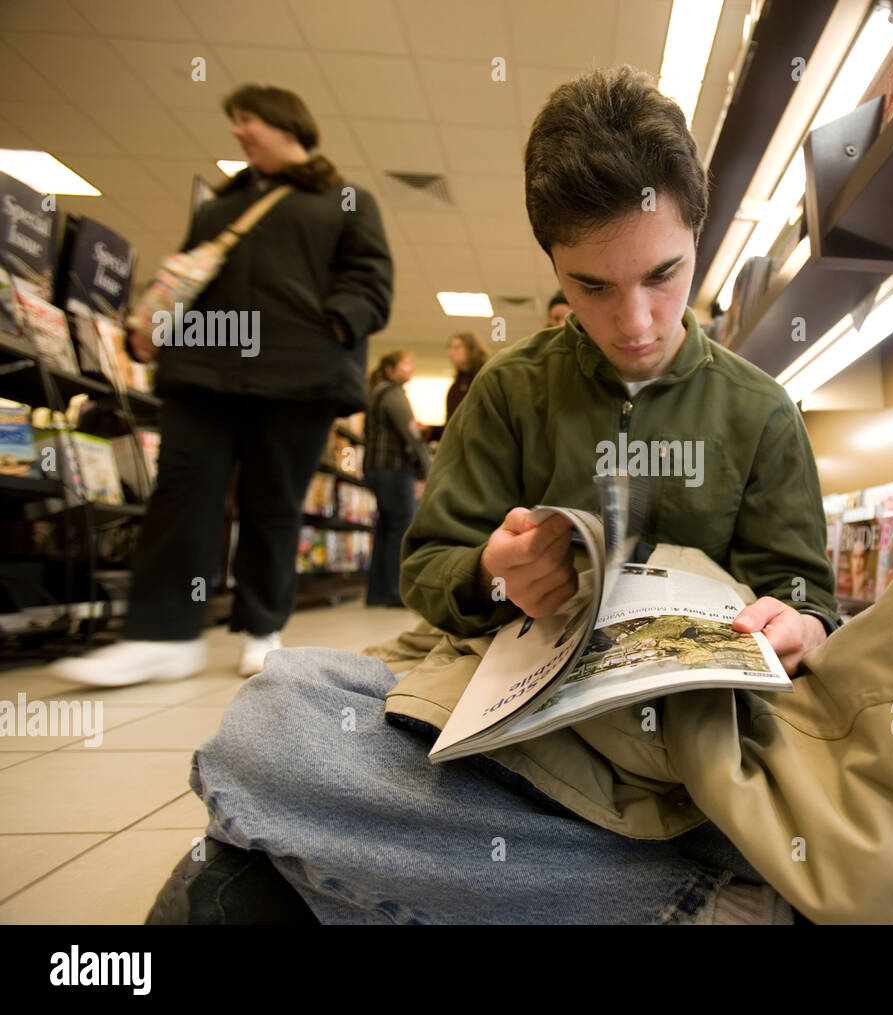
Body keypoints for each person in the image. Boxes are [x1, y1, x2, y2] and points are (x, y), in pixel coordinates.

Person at [148, 65, 834, 925]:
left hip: (679, 756)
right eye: (593, 287)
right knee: (272, 715)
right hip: (510, 731)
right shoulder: (510, 390)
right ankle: (669, 896)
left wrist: (796, 623)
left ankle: (486, 872)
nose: (638, 322)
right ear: (551, 263)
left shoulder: (763, 412)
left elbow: (808, 597)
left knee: (215, 892)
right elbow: (430, 566)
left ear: (698, 230)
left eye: (665, 274)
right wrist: (493, 574)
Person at [51, 83, 392, 686]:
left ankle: (263, 628)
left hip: (298, 374)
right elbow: (186, 275)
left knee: (273, 503)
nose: (239, 131)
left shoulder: (345, 200)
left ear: (288, 123)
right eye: (234, 121)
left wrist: (334, 324)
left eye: (248, 119)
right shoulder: (217, 207)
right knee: (181, 495)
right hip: (202, 370)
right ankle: (162, 635)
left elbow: (370, 279)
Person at [363, 350, 431, 608]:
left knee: (385, 529)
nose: (410, 368)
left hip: (376, 469)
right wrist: (426, 469)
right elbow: (410, 433)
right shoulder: (392, 393)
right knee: (399, 530)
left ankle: (377, 593)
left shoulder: (375, 393)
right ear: (390, 369)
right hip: (394, 469)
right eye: (405, 364)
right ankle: (394, 591)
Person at [426, 332, 487, 441]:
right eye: (450, 348)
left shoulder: (484, 379)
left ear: (471, 349)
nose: (451, 353)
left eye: (457, 347)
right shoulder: (457, 385)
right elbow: (453, 425)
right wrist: (430, 431)